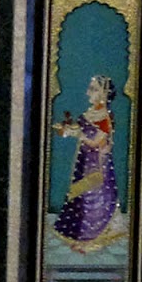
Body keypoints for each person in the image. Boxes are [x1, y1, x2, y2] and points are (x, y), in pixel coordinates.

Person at [51, 74, 122, 251]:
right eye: (90, 88)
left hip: (97, 165)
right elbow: (79, 129)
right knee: (81, 199)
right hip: (84, 163)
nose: (88, 92)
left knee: (94, 201)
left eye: (93, 89)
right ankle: (80, 238)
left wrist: (78, 135)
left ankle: (92, 242)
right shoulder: (89, 113)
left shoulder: (105, 117)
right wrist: (66, 130)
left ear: (104, 93)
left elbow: (97, 142)